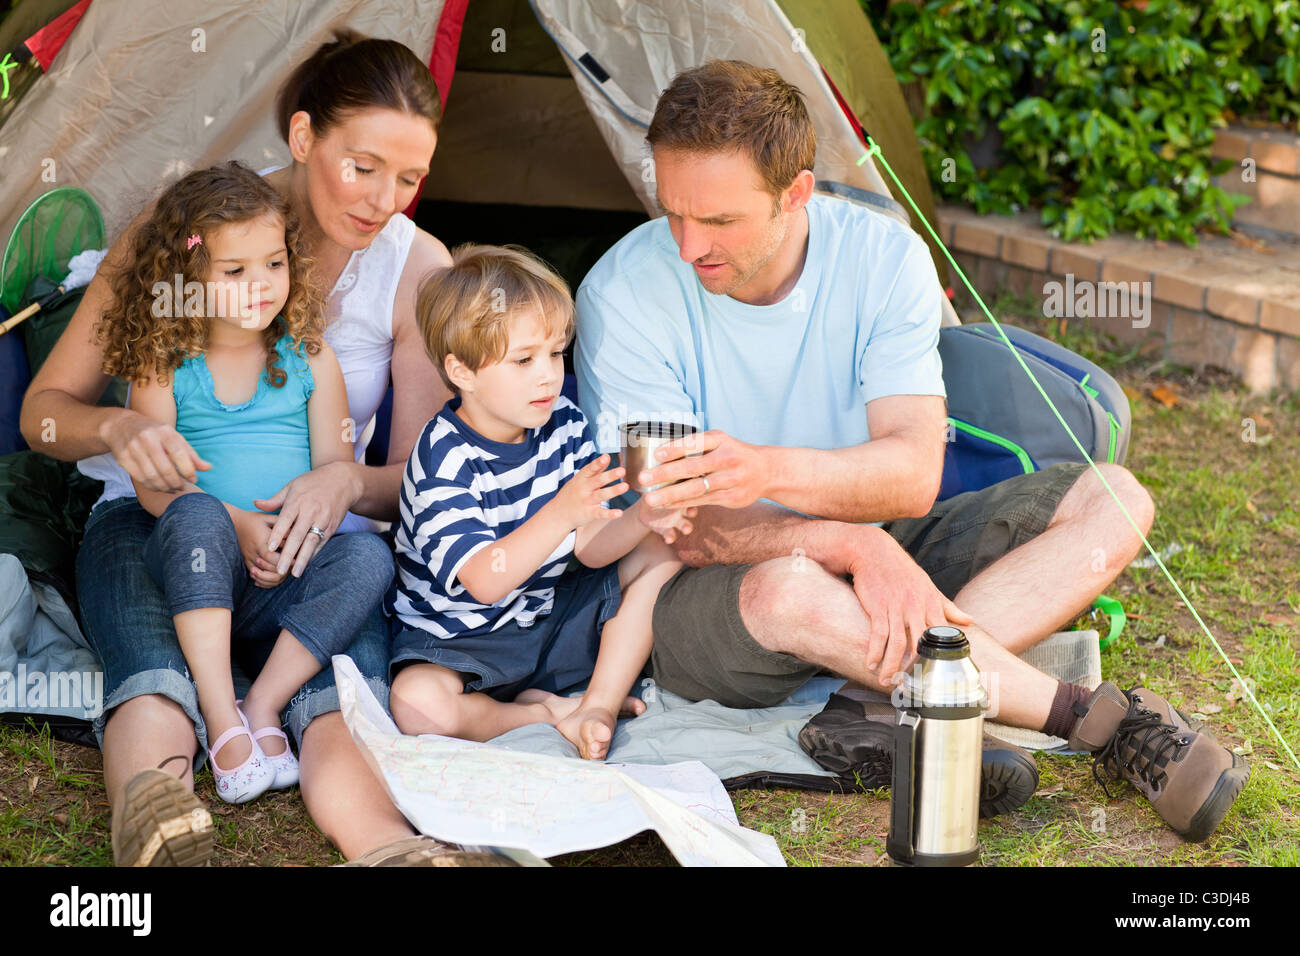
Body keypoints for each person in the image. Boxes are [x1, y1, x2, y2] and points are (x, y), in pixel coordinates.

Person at [576, 60, 1248, 841]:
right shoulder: (623, 295)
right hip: (706, 592)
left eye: (720, 222)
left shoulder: (882, 257)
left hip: (880, 545)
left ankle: (877, 699)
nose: (690, 246)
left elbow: (913, 473)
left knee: (1118, 498)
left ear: (797, 192)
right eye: (673, 213)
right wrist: (848, 542)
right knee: (789, 590)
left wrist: (795, 486)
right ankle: (1091, 722)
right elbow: (680, 529)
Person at [20, 30, 504, 865]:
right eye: (362, 165)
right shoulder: (186, 234)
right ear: (305, 135)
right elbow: (43, 417)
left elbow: (426, 480)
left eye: (410, 176)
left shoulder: (414, 269)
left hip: (309, 541)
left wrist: (344, 485)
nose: (384, 197)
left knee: (344, 692)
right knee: (149, 669)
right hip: (156, 521)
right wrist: (119, 428)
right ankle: (157, 823)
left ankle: (389, 848)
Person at [98, 162, 395, 804]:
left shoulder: (310, 355)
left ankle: (261, 704)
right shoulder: (165, 362)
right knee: (197, 512)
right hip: (195, 563)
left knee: (368, 556)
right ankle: (218, 714)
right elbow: (155, 490)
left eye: (273, 264)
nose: (261, 286)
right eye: (234, 272)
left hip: (282, 569)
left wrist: (298, 539)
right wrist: (239, 524)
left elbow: (333, 475)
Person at [387, 245, 684, 760]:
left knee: (660, 552)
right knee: (417, 704)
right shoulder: (443, 458)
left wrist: (644, 515)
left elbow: (590, 548)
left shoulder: (562, 423)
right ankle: (540, 713)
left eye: (555, 353)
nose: (548, 374)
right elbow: (483, 580)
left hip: (542, 618)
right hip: (461, 641)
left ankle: (598, 704)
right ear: (462, 372)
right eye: (524, 360)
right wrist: (561, 512)